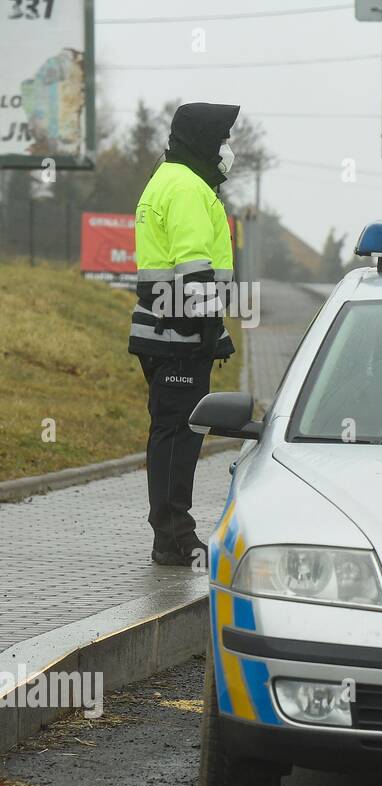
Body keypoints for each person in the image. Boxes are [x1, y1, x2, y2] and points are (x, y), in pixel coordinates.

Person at [129, 102, 240, 565]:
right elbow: (193, 265)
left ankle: (170, 534)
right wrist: (205, 329)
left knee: (174, 433)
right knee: (179, 436)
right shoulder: (188, 188)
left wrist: (212, 332)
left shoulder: (171, 180)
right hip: (178, 335)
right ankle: (174, 538)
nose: (227, 149)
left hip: (169, 331)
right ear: (201, 141)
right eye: (222, 140)